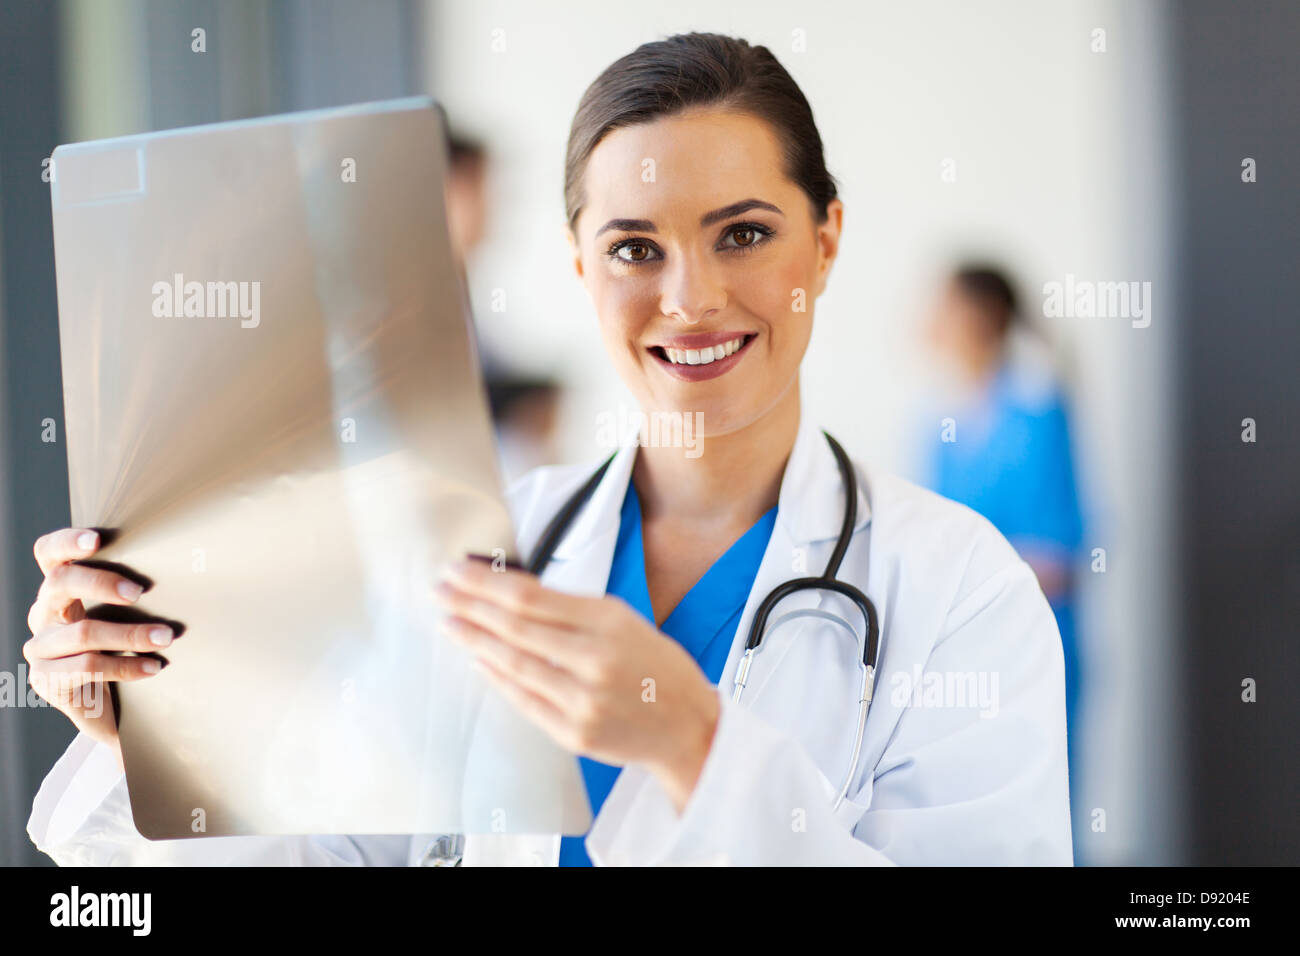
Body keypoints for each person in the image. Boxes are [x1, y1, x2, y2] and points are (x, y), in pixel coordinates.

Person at [24, 33, 1071, 866]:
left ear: (826, 239)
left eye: (742, 232)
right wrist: (155, 735)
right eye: (634, 248)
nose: (691, 296)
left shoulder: (956, 589)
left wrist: (692, 747)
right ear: (580, 264)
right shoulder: (485, 550)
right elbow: (340, 853)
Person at [920, 264, 1086, 813]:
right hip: (964, 662)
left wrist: (964, 576)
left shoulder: (1039, 413)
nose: (929, 319)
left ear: (981, 316)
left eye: (944, 305)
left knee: (1047, 816)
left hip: (1036, 646)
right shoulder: (937, 425)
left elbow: (1062, 560)